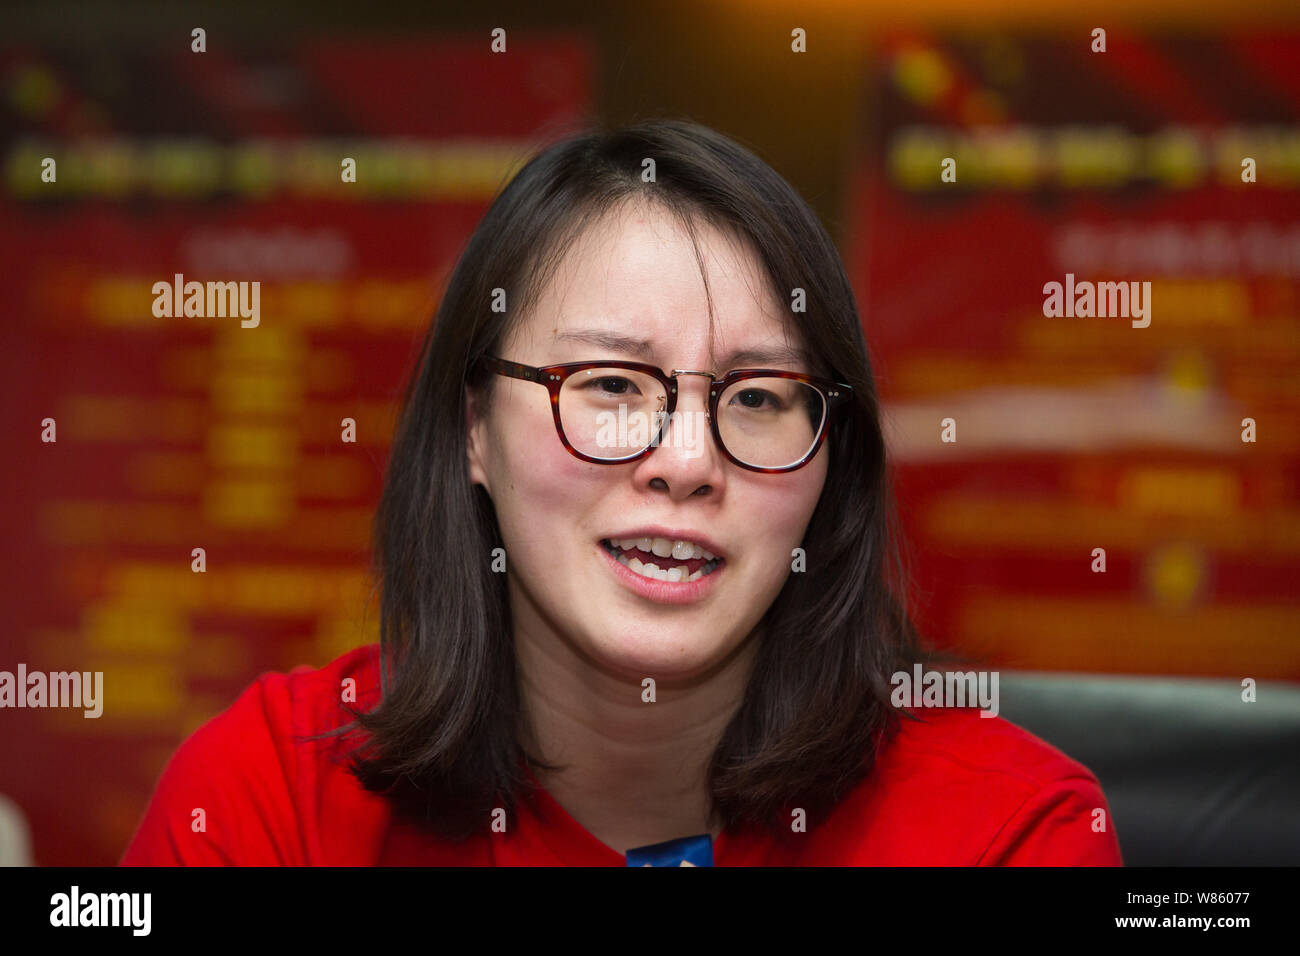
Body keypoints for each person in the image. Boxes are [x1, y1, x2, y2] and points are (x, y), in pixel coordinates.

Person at [120, 118, 1122, 866]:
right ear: (473, 427)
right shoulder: (271, 795)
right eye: (609, 385)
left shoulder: (1009, 830)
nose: (686, 461)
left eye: (761, 396)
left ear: (830, 466)